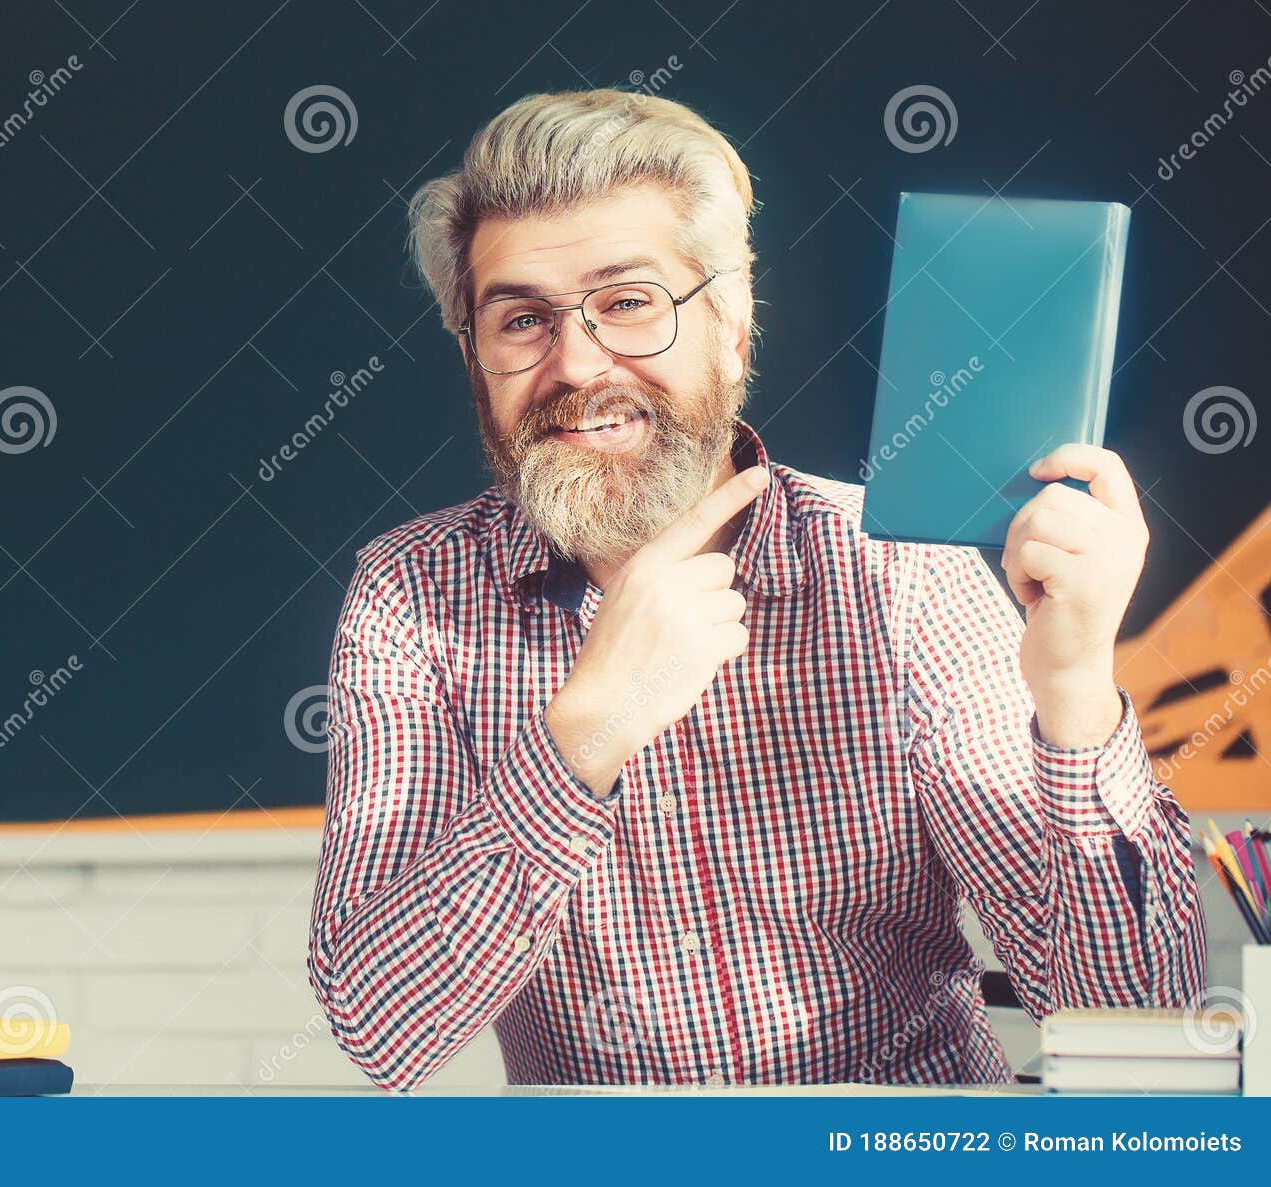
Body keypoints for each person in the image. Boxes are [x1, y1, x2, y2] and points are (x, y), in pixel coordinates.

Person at [307, 88, 1208, 1091]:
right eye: (520, 319)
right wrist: (587, 731)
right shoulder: (412, 594)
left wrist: (1078, 694)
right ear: (474, 354)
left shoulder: (895, 570)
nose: (574, 363)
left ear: (731, 325)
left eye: (628, 303)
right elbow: (376, 1026)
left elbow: (1135, 1022)